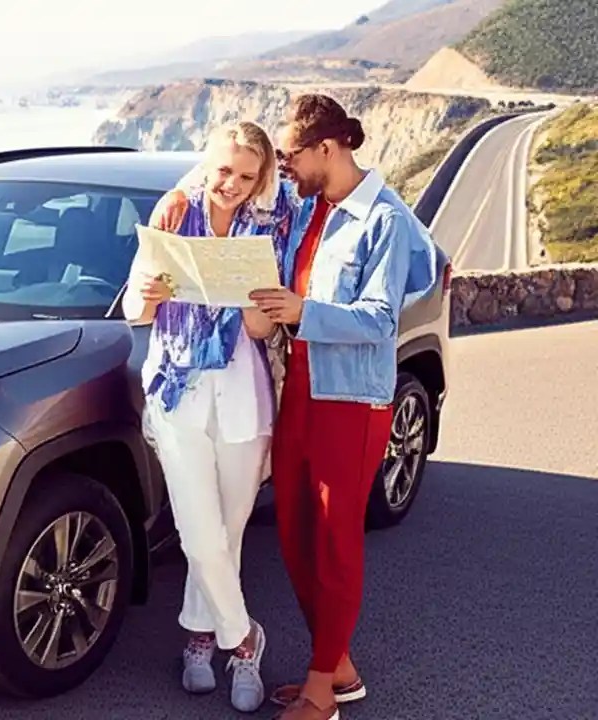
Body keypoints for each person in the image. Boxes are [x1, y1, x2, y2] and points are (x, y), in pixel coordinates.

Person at [247, 94, 438, 720]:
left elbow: (381, 319)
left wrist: (305, 313)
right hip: (301, 389)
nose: (286, 168)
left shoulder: (382, 218)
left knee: (335, 542)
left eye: (292, 155)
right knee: (296, 537)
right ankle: (339, 664)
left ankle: (322, 689)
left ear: (328, 148)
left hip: (352, 399)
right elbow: (227, 180)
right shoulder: (311, 212)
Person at [123, 121, 298, 713]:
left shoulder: (267, 226)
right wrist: (147, 292)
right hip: (177, 393)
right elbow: (135, 311)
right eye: (225, 170)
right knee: (199, 536)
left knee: (227, 531)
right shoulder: (172, 215)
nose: (233, 185)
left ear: (261, 178)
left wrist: (253, 302)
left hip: (243, 397)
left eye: (248, 176)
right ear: (208, 163)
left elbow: (263, 329)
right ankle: (244, 640)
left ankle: (201, 638)